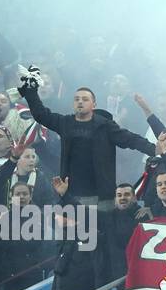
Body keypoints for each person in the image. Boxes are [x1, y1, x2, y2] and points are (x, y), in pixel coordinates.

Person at [17, 75, 154, 203]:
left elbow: (131, 139)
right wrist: (30, 91)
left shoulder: (105, 126)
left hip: (100, 196)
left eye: (85, 99)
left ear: (94, 104)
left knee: (98, 228)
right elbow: (41, 114)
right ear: (73, 104)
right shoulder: (65, 123)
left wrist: (154, 149)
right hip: (71, 193)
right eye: (77, 99)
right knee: (73, 228)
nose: (80, 102)